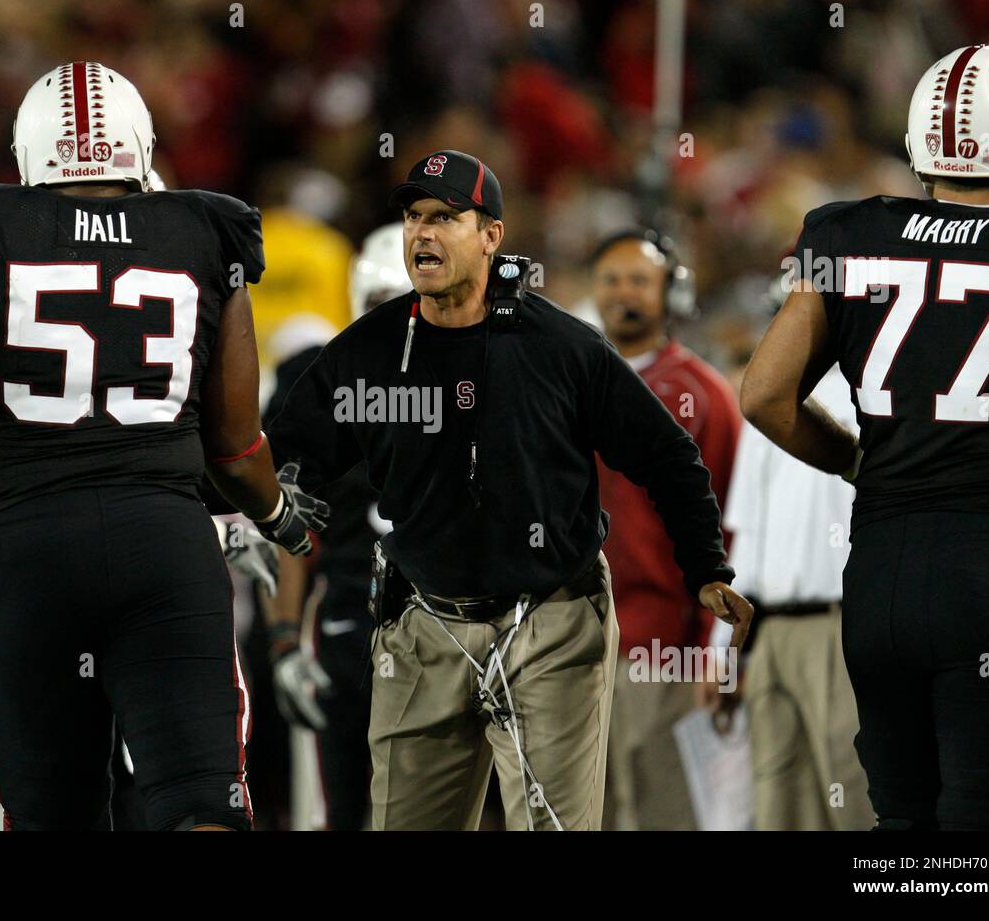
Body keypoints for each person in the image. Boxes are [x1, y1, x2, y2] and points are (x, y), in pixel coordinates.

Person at [0, 62, 327, 831]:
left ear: (29, 154)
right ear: (140, 147)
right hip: (164, 543)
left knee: (51, 814)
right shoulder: (207, 229)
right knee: (201, 800)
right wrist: (282, 516)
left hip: (30, 546)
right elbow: (233, 445)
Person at [267, 149, 753, 830]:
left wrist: (704, 566)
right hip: (423, 621)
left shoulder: (561, 346)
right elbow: (289, 457)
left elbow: (668, 455)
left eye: (444, 217)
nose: (422, 233)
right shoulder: (369, 349)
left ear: (491, 235)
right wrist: (261, 513)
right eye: (412, 217)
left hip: (550, 620)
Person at [741, 44, 989, 830]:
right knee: (986, 825)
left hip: (878, 575)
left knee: (903, 831)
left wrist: (854, 459)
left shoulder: (847, 231)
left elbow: (766, 394)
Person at [589, 229, 741, 830]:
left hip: (662, 640)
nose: (623, 292)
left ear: (670, 293)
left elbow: (731, 526)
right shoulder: (571, 378)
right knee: (580, 809)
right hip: (571, 639)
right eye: (610, 279)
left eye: (638, 279)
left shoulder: (703, 393)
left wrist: (715, 645)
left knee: (660, 808)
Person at [264, 223, 412, 830]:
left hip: (448, 624)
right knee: (341, 806)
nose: (392, 318)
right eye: (380, 302)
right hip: (348, 619)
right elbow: (293, 521)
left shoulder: (474, 380)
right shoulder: (324, 383)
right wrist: (283, 637)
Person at [723, 359, 875, 830]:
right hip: (769, 628)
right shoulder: (764, 397)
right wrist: (723, 653)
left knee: (848, 785)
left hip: (836, 622)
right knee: (777, 789)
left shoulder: (864, 395)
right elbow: (747, 531)